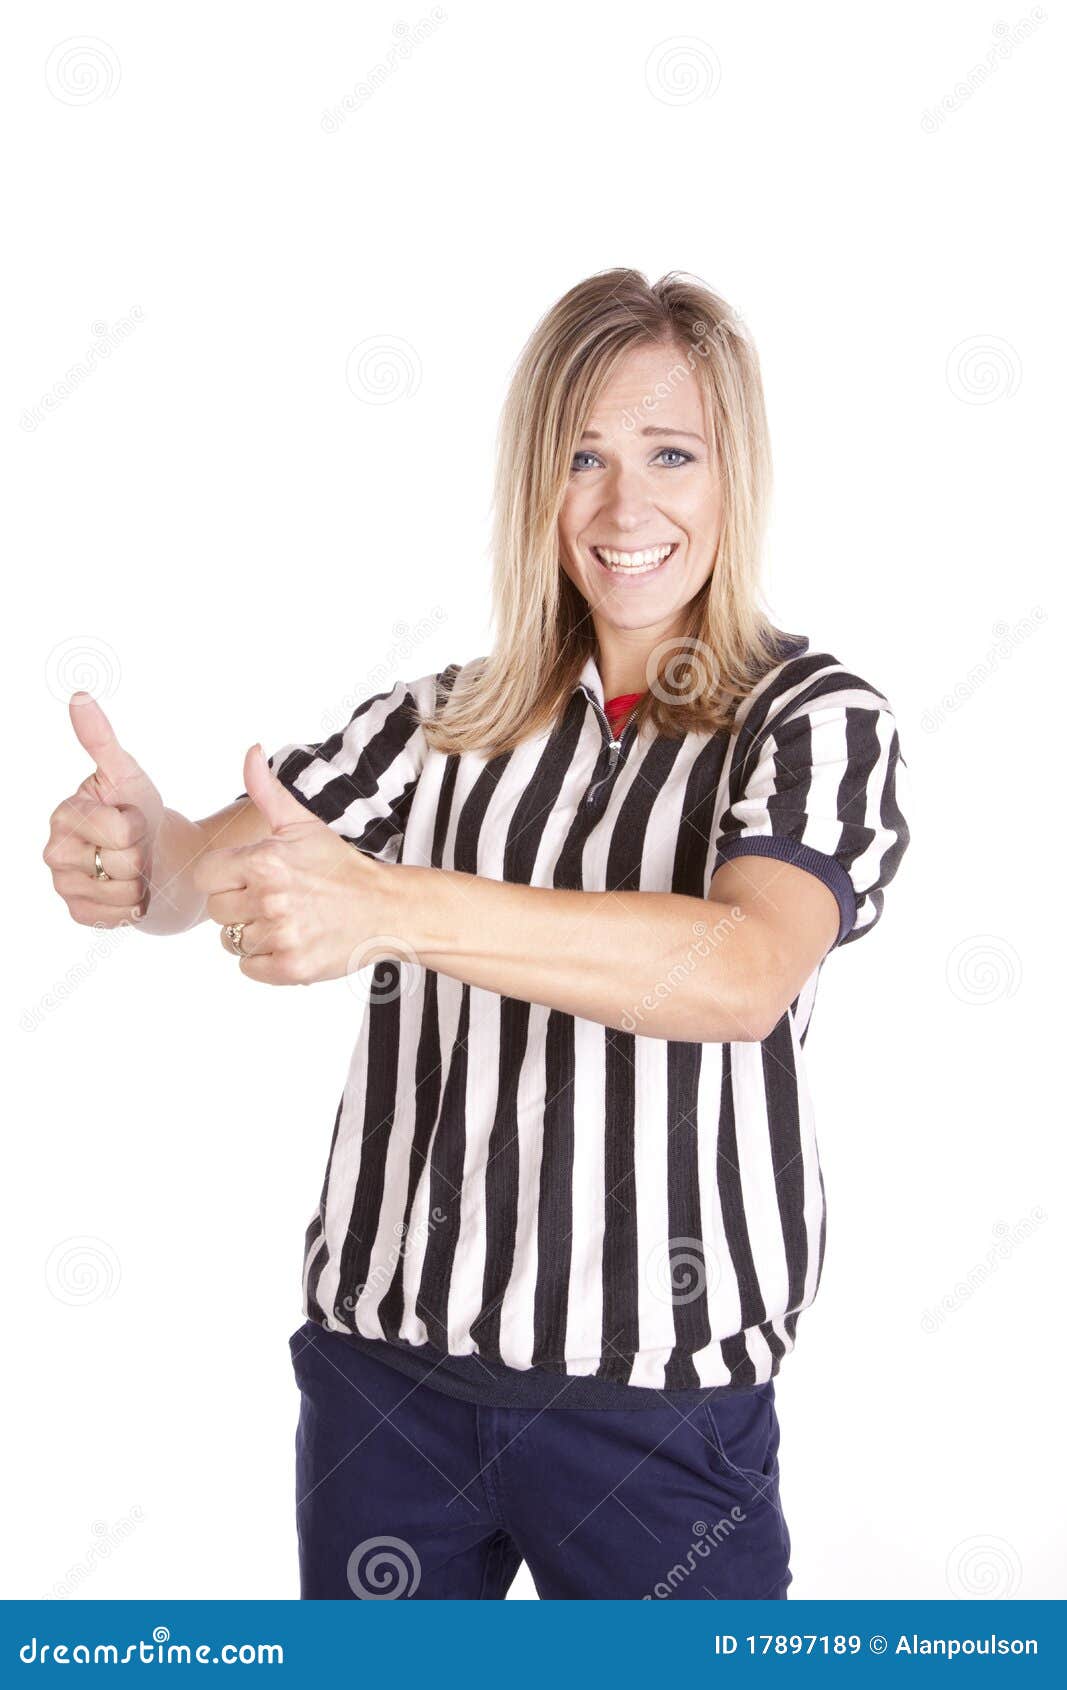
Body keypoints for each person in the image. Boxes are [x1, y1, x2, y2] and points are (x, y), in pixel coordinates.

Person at [43, 268, 910, 1600]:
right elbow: (198, 871)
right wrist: (137, 848)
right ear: (535, 484)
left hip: (656, 1411)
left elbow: (742, 970)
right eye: (584, 457)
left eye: (670, 454)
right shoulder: (439, 720)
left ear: (735, 471)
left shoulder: (813, 719)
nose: (627, 508)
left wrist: (387, 904)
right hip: (387, 1386)